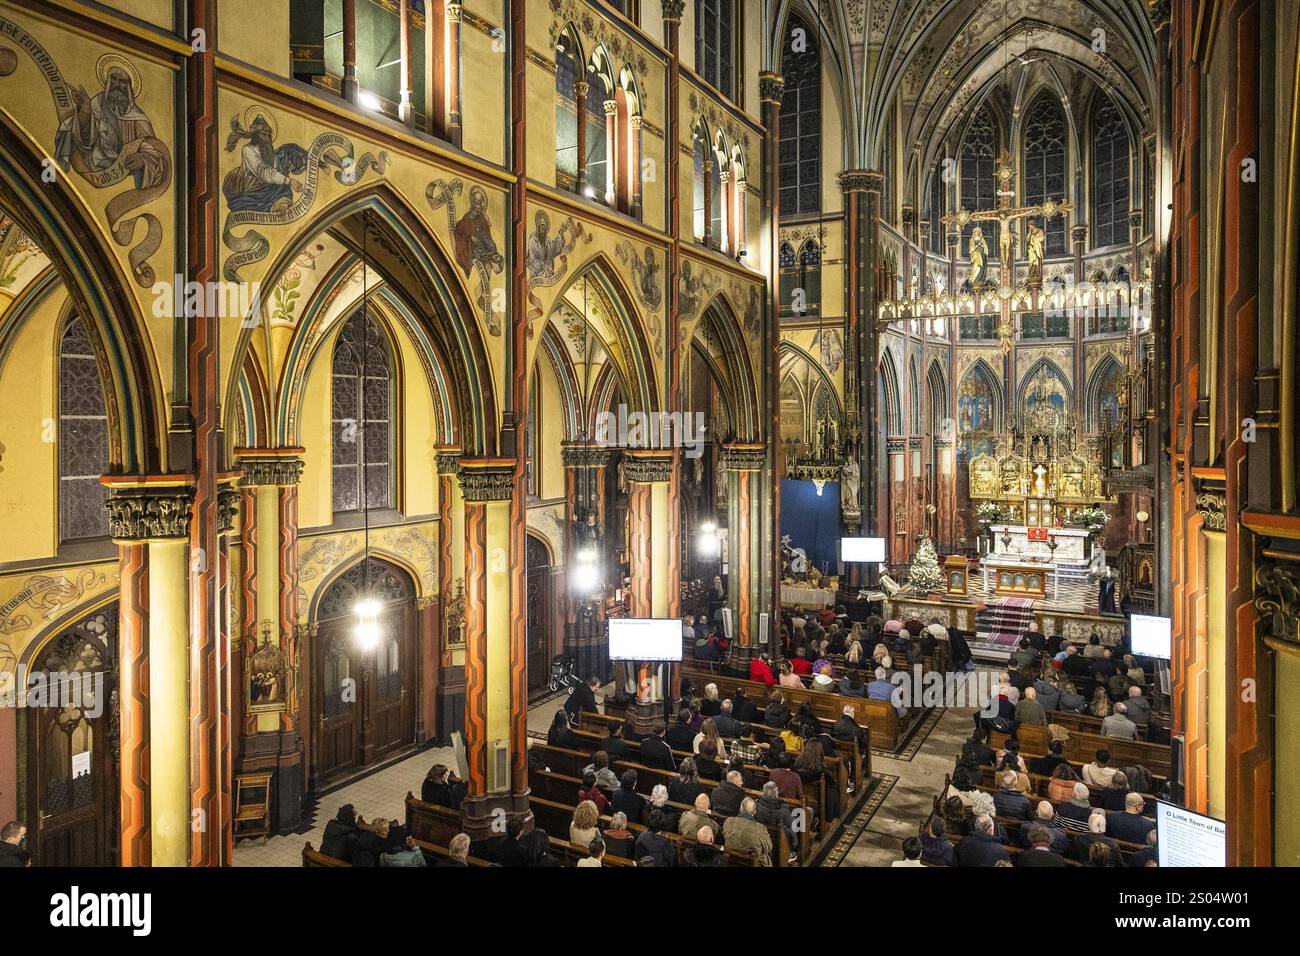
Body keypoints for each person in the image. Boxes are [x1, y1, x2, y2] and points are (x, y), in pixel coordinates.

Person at [722, 797, 773, 866]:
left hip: (730, 861)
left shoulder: (728, 822)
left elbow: (723, 837)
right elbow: (769, 847)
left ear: (741, 809)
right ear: (755, 812)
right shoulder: (760, 829)